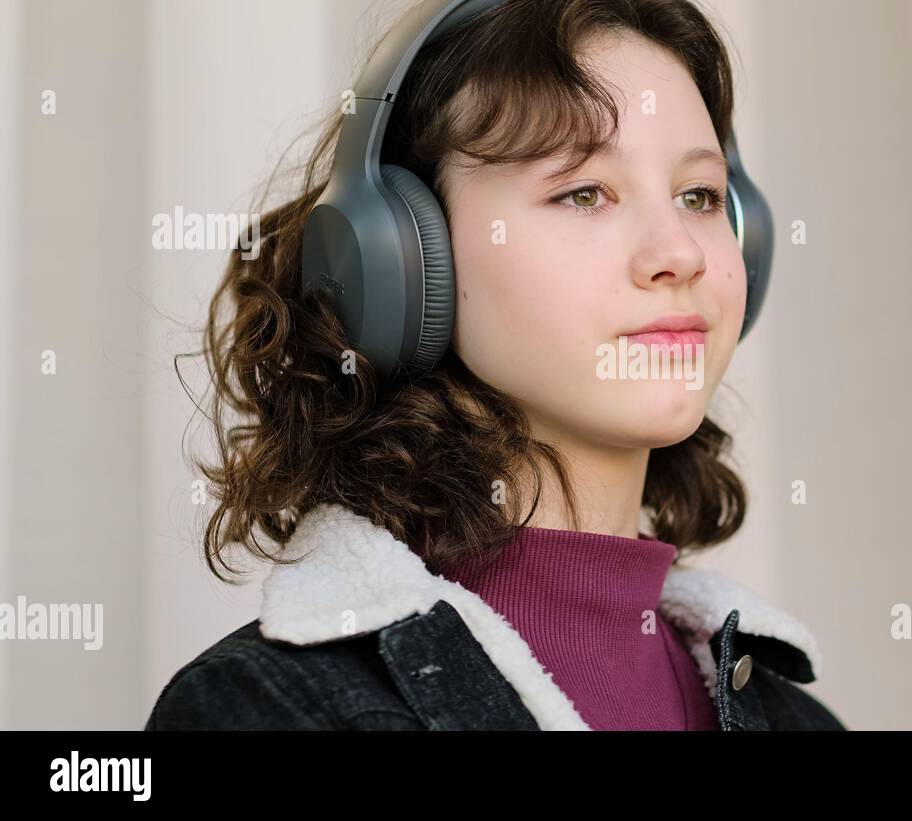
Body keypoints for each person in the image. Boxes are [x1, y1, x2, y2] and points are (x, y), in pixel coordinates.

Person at [145, 0, 847, 731]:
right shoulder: (266, 711)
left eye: (699, 196)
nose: (679, 253)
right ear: (404, 257)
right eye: (583, 193)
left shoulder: (799, 720)